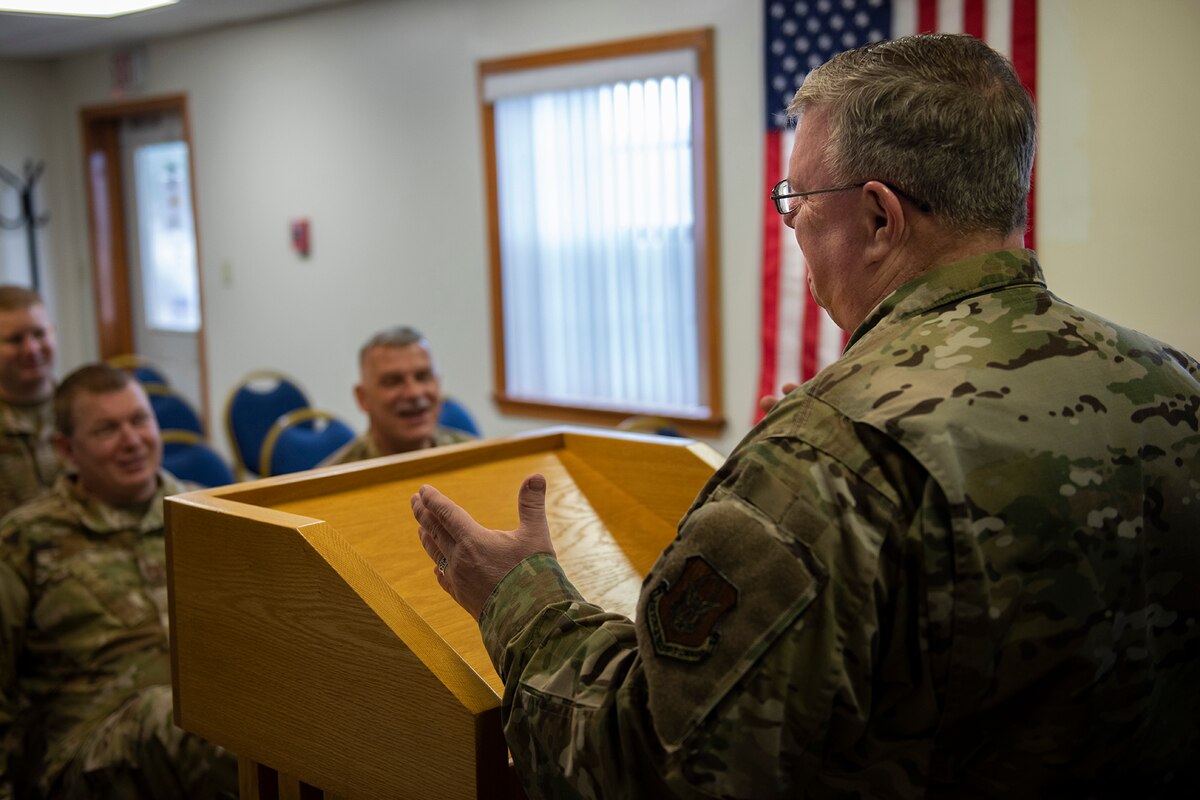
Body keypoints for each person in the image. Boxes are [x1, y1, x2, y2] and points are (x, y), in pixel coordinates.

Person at [409, 33, 1200, 798]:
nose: (790, 223)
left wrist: (520, 598)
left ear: (879, 218)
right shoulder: (1176, 382)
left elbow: (643, 768)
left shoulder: (826, 457)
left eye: (798, 199)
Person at [0, 364, 237, 799]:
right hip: (85, 752)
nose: (131, 441)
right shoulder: (23, 540)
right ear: (66, 450)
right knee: (175, 716)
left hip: (211, 722)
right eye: (107, 429)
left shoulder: (212, 512)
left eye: (140, 420)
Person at [322, 325, 474, 465]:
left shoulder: (476, 459)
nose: (414, 393)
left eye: (423, 377)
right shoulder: (334, 481)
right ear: (362, 398)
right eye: (393, 381)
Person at [0, 285, 60, 519]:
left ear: (53, 332)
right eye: (15, 340)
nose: (31, 349)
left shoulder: (83, 410)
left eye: (39, 334)